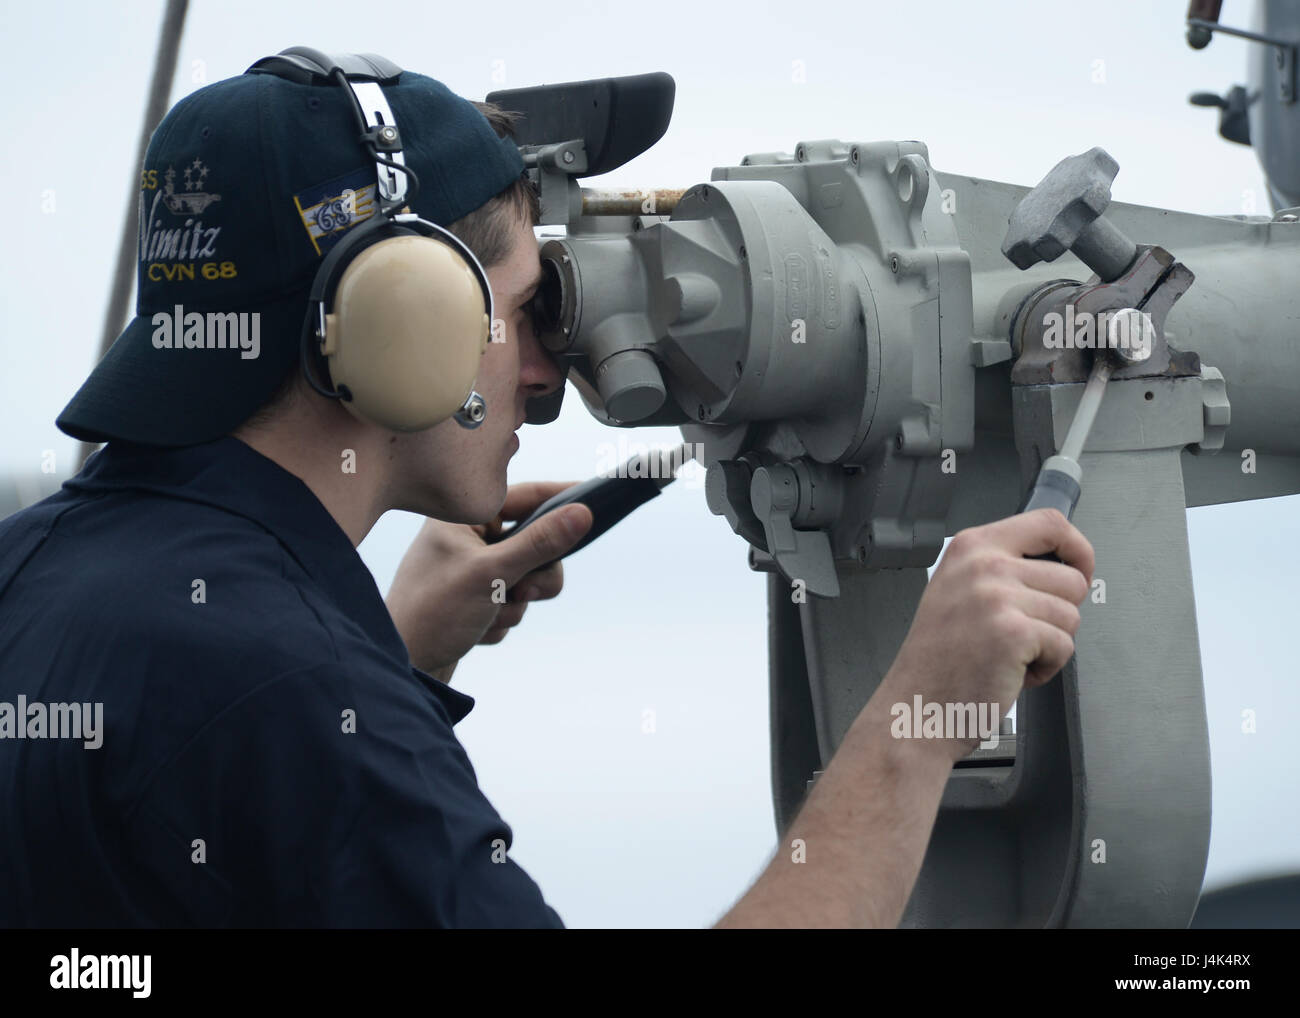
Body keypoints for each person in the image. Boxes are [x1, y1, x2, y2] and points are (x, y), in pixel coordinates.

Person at [0, 51, 1094, 929]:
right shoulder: (289, 694)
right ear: (402, 316)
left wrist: (400, 657)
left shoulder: (42, 578)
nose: (545, 371)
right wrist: (914, 722)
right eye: (527, 308)